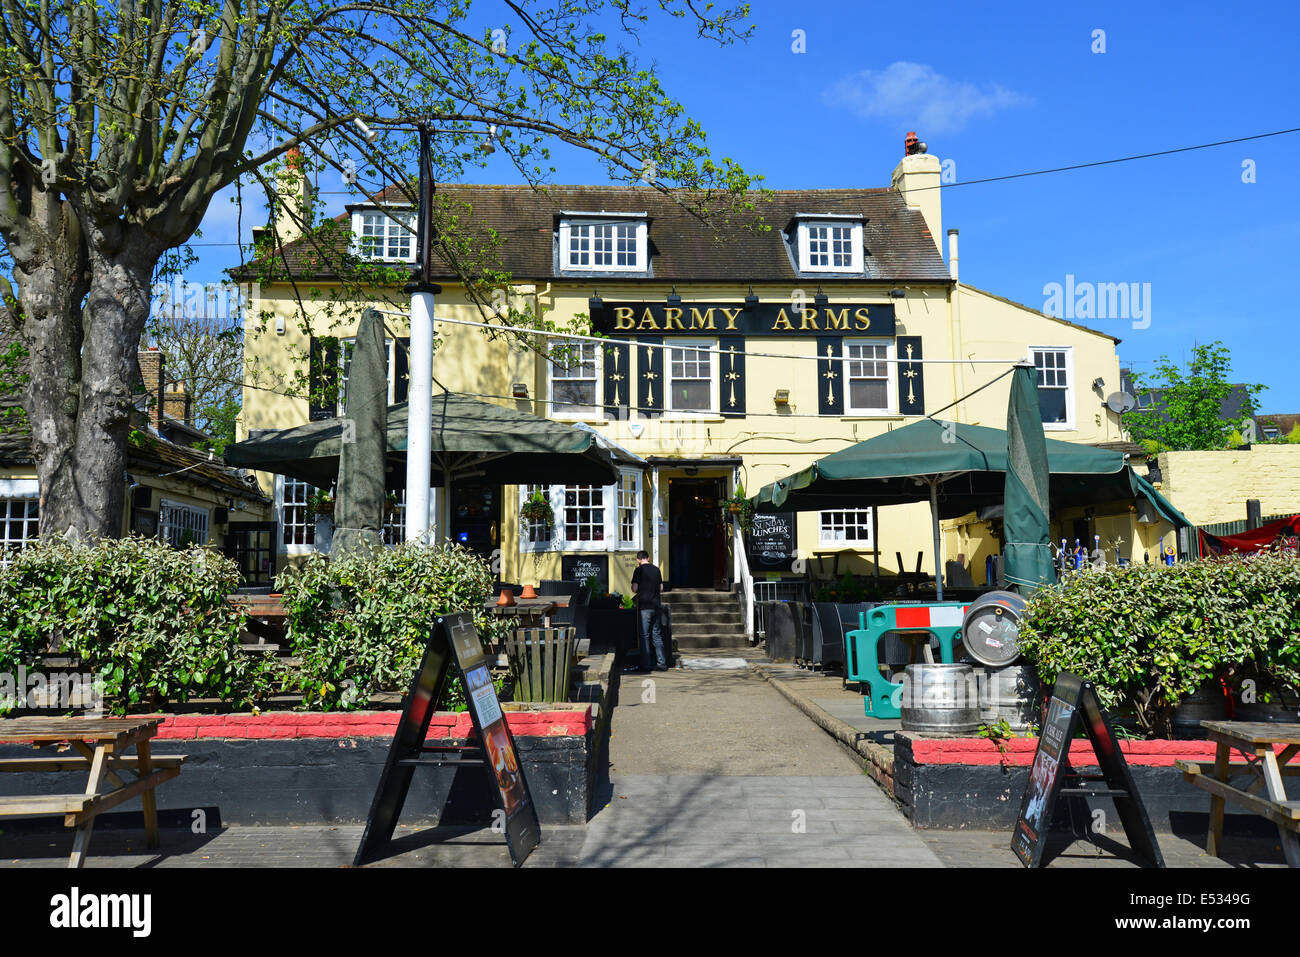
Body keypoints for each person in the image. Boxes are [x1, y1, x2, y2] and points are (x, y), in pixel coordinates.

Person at [630, 550, 666, 671]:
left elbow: (634, 589)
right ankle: (661, 663)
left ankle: (646, 665)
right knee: (657, 635)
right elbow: (661, 588)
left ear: (638, 560)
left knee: (644, 636)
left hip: (645, 607)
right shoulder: (657, 569)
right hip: (656, 606)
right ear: (648, 558)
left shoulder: (638, 570)